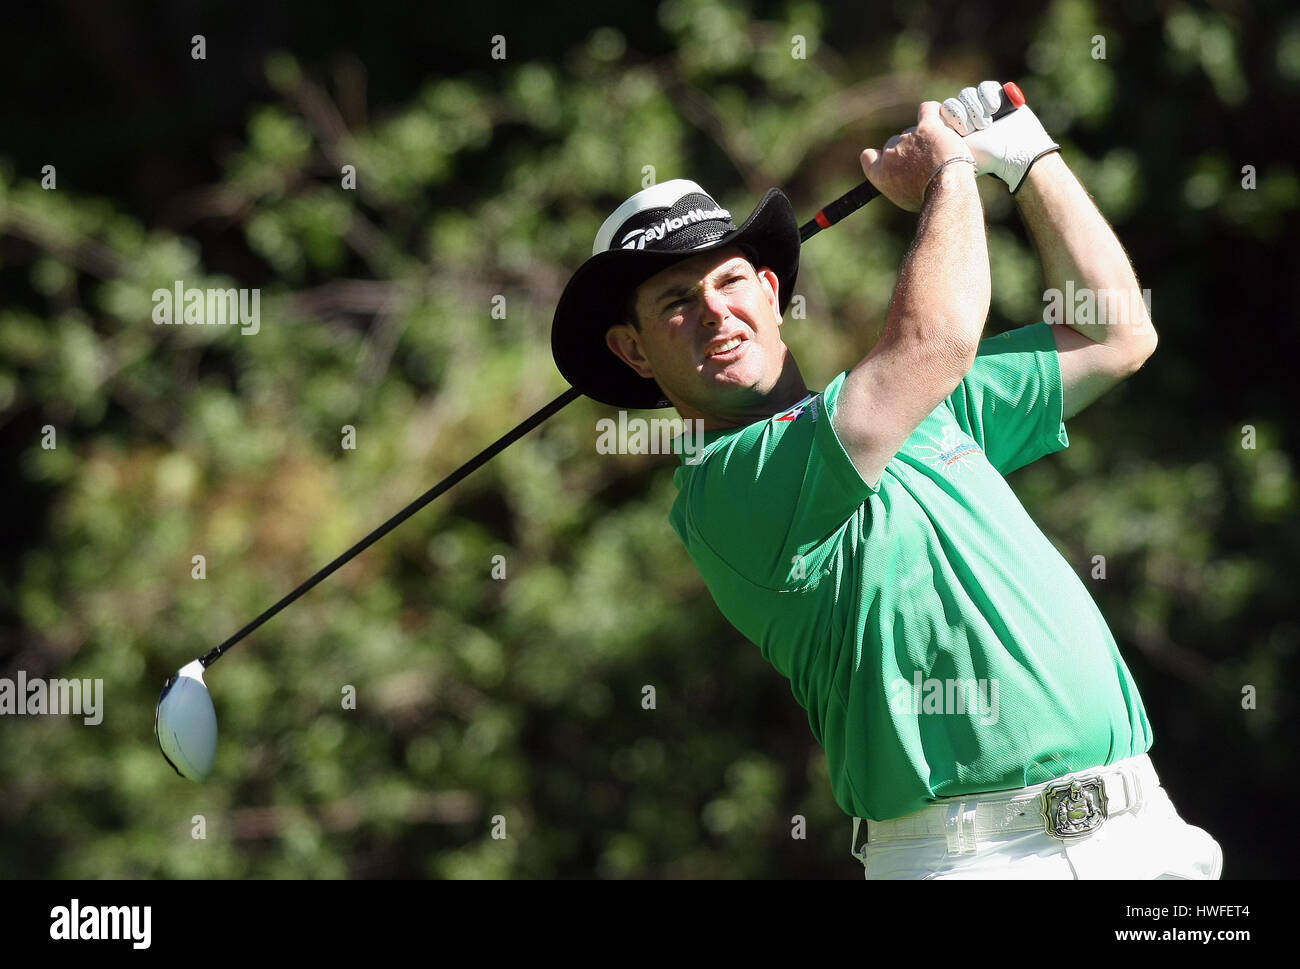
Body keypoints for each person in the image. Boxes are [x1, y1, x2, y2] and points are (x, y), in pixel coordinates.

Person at [550, 81, 1222, 879]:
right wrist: (949, 173)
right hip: (969, 861)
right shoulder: (725, 490)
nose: (715, 312)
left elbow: (1117, 333)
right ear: (632, 352)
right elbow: (933, 341)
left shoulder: (928, 413)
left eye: (729, 281)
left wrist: (1026, 155)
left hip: (1142, 831)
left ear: (770, 293)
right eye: (675, 300)